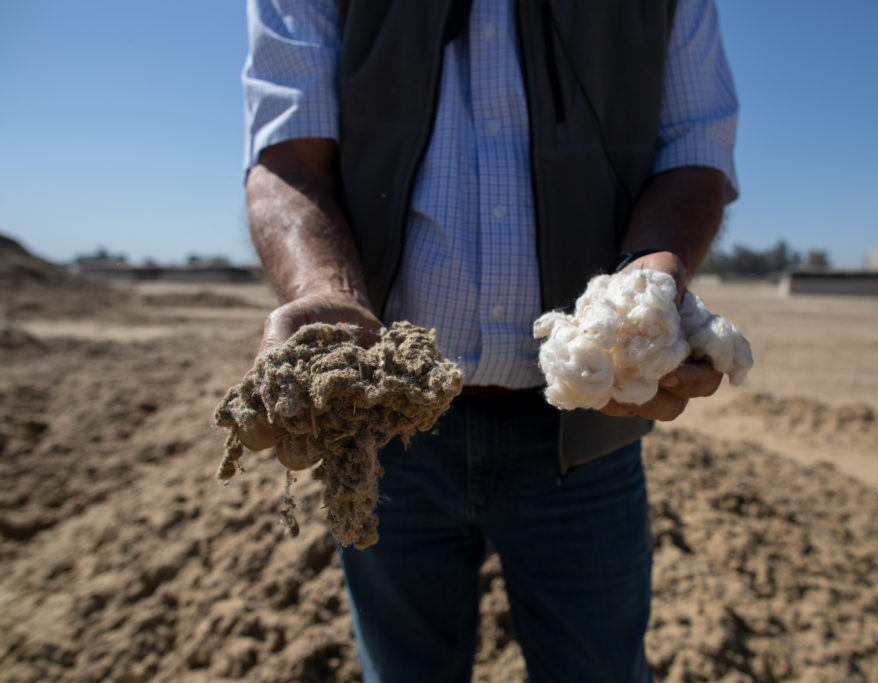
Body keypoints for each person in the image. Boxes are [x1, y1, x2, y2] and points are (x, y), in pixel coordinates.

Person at [238, 0, 738, 680]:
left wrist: (650, 274)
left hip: (584, 436)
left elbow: (694, 149)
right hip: (392, 430)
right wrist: (326, 291)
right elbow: (288, 152)